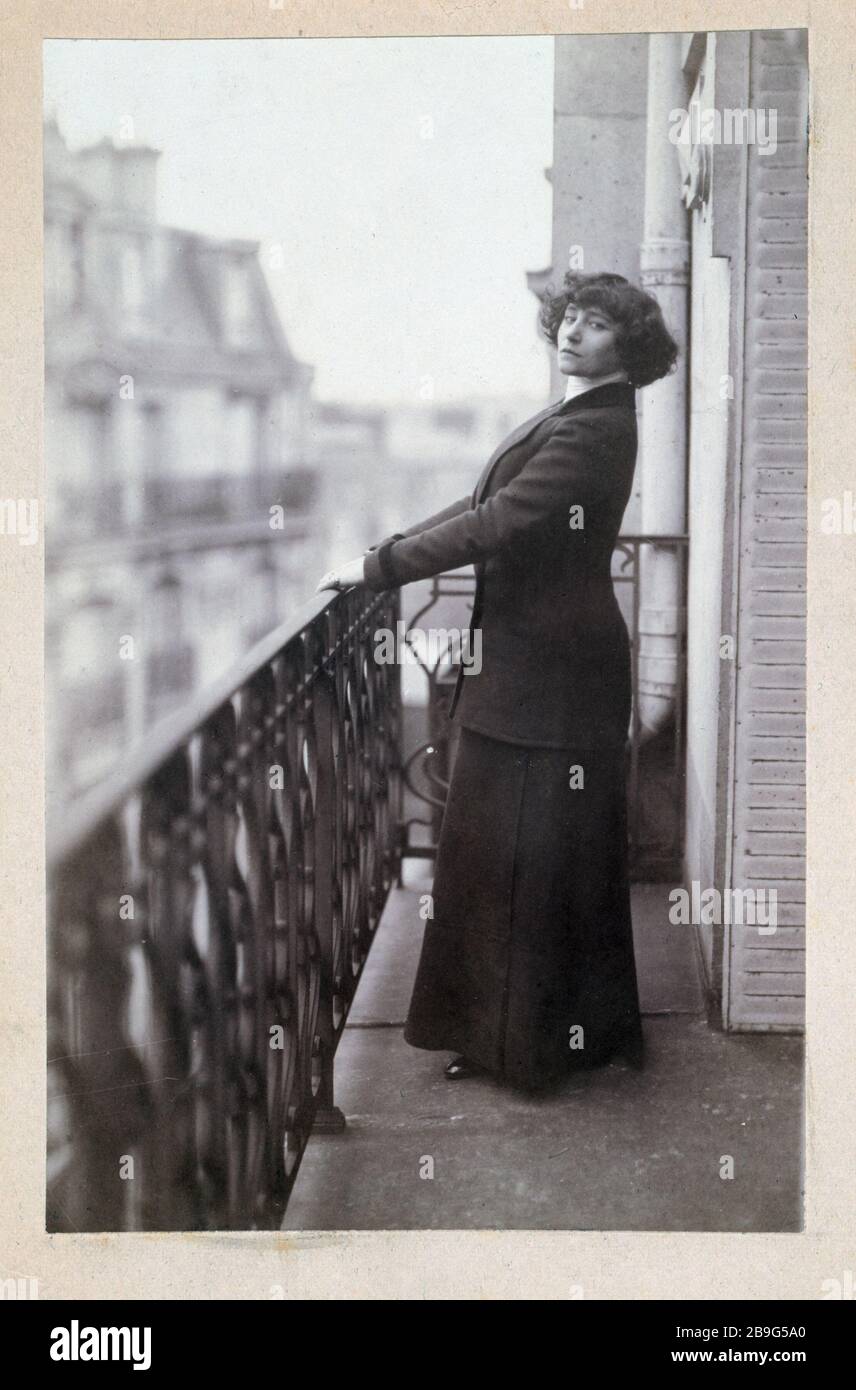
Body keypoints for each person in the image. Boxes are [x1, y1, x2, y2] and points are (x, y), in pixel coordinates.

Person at [317, 271, 679, 1092]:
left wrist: (377, 570)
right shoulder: (573, 413)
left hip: (550, 677)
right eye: (568, 319)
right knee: (506, 859)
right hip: (526, 670)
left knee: (531, 862)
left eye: (594, 324)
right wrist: (394, 544)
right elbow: (482, 499)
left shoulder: (595, 428)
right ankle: (537, 1033)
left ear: (629, 343)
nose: (573, 334)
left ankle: (531, 1049)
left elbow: (499, 523)